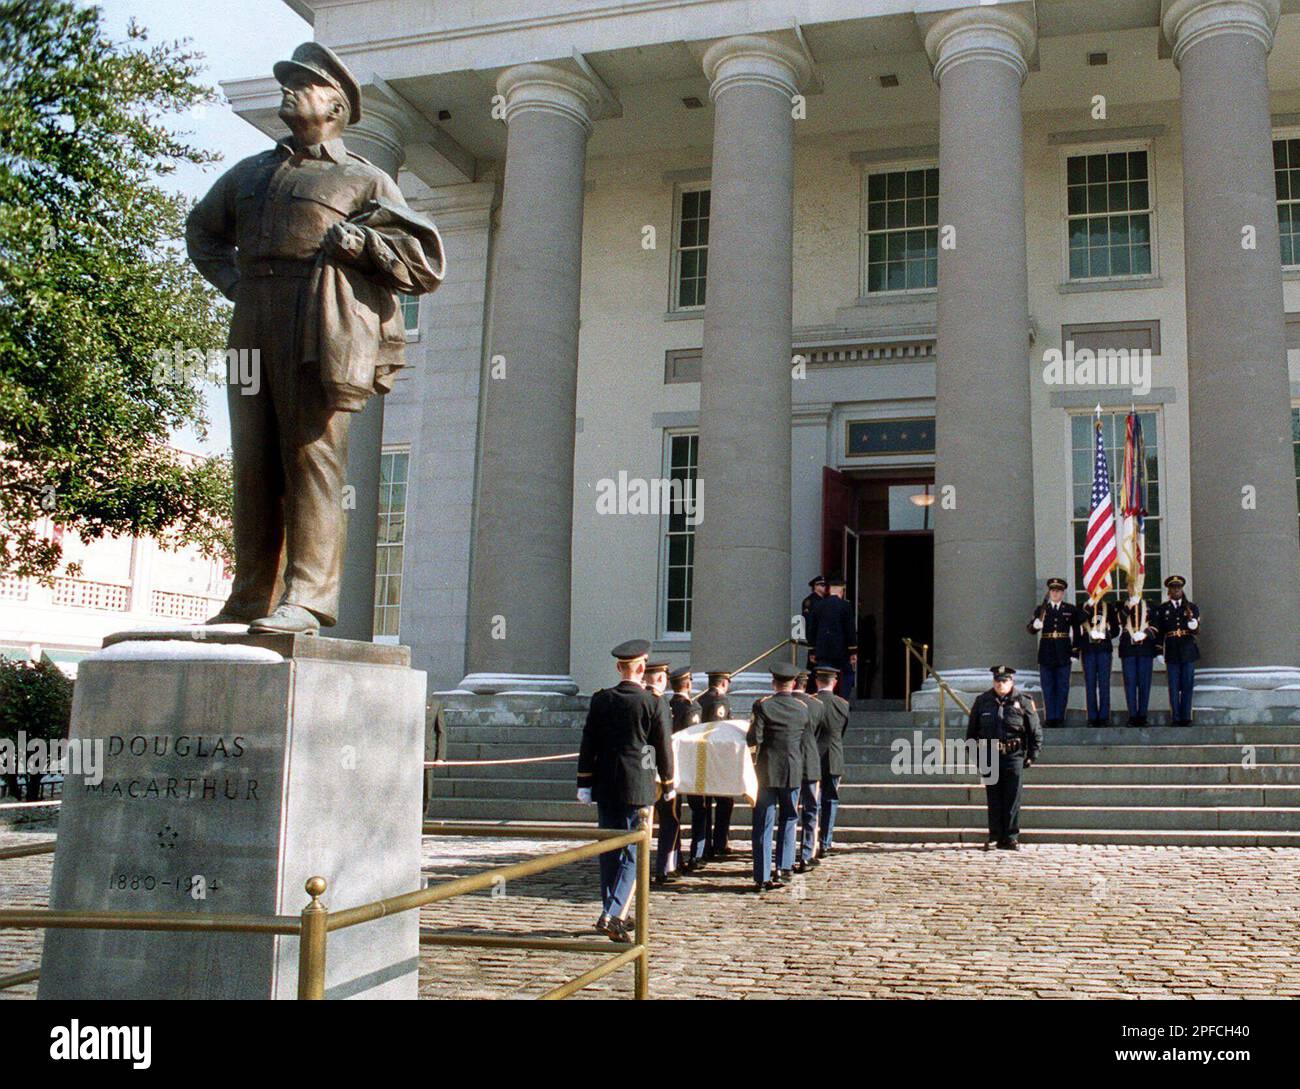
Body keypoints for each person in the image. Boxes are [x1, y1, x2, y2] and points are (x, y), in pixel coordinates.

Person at [186, 42, 444, 634]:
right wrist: (236, 286)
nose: (287, 89)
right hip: (252, 315)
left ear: (333, 105)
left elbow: (423, 262)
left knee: (312, 456)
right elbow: (201, 231)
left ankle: (308, 596)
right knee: (252, 460)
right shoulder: (251, 173)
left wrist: (363, 246)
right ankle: (251, 595)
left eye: (300, 83)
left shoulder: (364, 178)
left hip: (319, 319)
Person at [576, 640, 674, 942]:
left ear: (619, 668)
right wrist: (668, 782)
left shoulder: (600, 699)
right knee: (633, 851)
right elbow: (662, 747)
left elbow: (588, 743)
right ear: (642, 668)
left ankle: (612, 909)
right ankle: (614, 913)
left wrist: (584, 782)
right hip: (638, 785)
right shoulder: (653, 701)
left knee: (609, 848)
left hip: (605, 783)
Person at [747, 662, 810, 892]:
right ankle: (784, 868)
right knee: (790, 818)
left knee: (764, 822)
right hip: (792, 769)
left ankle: (762, 876)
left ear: (774, 683)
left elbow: (754, 739)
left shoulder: (763, 706)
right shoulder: (802, 708)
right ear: (793, 683)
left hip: (767, 770)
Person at [966, 665, 1042, 851]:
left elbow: (1035, 730)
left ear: (1011, 682)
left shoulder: (1023, 701)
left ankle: (1011, 836)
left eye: (1004, 681)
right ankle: (994, 835)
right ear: (993, 682)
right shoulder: (982, 701)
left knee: (1012, 798)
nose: (1001, 685)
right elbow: (971, 734)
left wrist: (1032, 755)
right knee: (994, 798)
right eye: (997, 681)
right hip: (990, 754)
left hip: (1013, 754)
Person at [645, 661, 684, 886]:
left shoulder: (639, 699)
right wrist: (668, 779)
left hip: (639, 770)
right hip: (657, 774)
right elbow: (663, 743)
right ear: (661, 679)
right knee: (668, 821)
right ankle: (662, 868)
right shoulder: (659, 702)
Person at [1027, 577, 1079, 728]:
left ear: (1062, 593)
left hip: (1064, 651)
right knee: (1048, 686)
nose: (1055, 594)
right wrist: (1035, 625)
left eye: (1058, 591)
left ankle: (1059, 717)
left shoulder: (1070, 609)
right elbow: (1030, 629)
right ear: (1049, 592)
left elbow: (1076, 631)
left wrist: (1075, 651)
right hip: (1047, 651)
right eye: (1053, 591)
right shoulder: (1041, 610)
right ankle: (1050, 717)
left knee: (1062, 686)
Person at [696, 670, 735, 860]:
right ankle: (719, 842)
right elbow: (718, 730)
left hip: (701, 758)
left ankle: (705, 844)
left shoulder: (700, 699)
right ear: (724, 683)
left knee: (705, 804)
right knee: (724, 802)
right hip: (716, 759)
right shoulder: (720, 701)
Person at [811, 665, 850, 856]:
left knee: (813, 802)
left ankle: (810, 843)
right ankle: (826, 842)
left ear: (817, 681)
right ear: (834, 683)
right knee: (830, 800)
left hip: (813, 757)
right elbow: (842, 732)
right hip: (834, 756)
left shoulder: (810, 702)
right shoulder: (843, 704)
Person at [1155, 575, 1201, 727]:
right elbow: (1160, 631)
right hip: (1172, 649)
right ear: (1169, 590)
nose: (1176, 590)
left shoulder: (1191, 607)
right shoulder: (1163, 609)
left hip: (1187, 649)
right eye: (1173, 588)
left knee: (1187, 684)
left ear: (1182, 589)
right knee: (1174, 686)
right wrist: (1159, 651)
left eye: (1178, 588)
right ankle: (1175, 717)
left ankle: (1186, 716)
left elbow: (1196, 630)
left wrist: (1194, 625)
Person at [792, 670, 825, 873]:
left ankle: (786, 854)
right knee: (811, 809)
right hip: (811, 760)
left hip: (791, 761)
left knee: (789, 811)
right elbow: (817, 733)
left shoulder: (786, 703)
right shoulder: (817, 705)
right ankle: (807, 853)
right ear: (806, 684)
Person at [807, 576, 857, 697]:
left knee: (824, 676)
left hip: (822, 649)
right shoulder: (845, 606)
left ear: (829, 590)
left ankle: (823, 699)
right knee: (847, 674)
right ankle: (842, 700)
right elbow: (850, 629)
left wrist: (812, 650)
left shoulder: (818, 605)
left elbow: (812, 630)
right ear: (842, 591)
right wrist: (853, 651)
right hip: (841, 650)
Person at [1075, 597, 1120, 728]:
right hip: (1088, 650)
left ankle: (1104, 716)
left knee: (1104, 684)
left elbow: (1116, 629)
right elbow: (1078, 620)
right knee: (1090, 684)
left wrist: (1106, 635)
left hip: (1104, 650)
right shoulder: (1081, 606)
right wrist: (1088, 606)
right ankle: (1092, 717)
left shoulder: (1108, 607)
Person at [1118, 592, 1159, 727]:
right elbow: (1119, 620)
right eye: (1131, 585)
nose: (1133, 588)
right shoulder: (1121, 604)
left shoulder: (1150, 605)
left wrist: (1145, 633)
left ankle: (1142, 715)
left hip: (1145, 647)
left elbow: (1156, 624)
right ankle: (1132, 715)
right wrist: (1129, 606)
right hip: (1128, 648)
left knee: (1144, 683)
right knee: (1130, 683)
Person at [800, 576, 827, 689]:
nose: (824, 587)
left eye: (825, 585)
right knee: (813, 672)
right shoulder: (810, 602)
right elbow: (810, 625)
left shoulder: (824, 601)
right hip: (815, 642)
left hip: (823, 641)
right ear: (815, 586)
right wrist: (812, 648)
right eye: (821, 585)